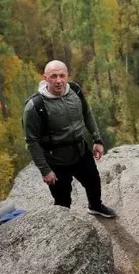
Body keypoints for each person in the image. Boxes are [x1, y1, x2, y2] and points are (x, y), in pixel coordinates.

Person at [23, 60, 116, 218]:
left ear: (67, 76)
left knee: (93, 181)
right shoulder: (35, 106)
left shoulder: (75, 90)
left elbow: (87, 113)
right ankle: (64, 227)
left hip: (80, 150)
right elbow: (32, 141)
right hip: (56, 158)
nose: (58, 80)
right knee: (62, 199)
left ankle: (95, 206)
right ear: (45, 78)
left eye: (62, 75)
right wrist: (45, 170)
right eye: (53, 76)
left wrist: (97, 140)